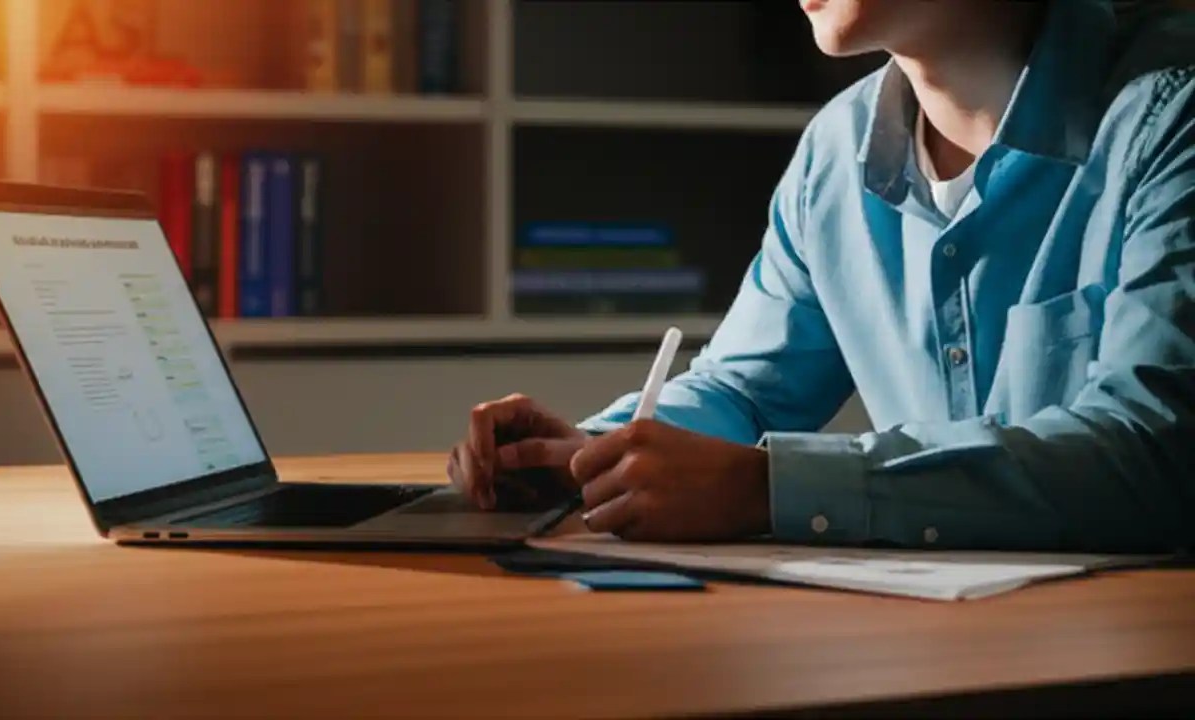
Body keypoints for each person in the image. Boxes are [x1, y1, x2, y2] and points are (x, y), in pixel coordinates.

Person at [448, 0, 1195, 552]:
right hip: (938, 642)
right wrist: (588, 455)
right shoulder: (837, 153)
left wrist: (767, 487)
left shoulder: (1170, 115)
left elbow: (1154, 454)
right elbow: (744, 391)